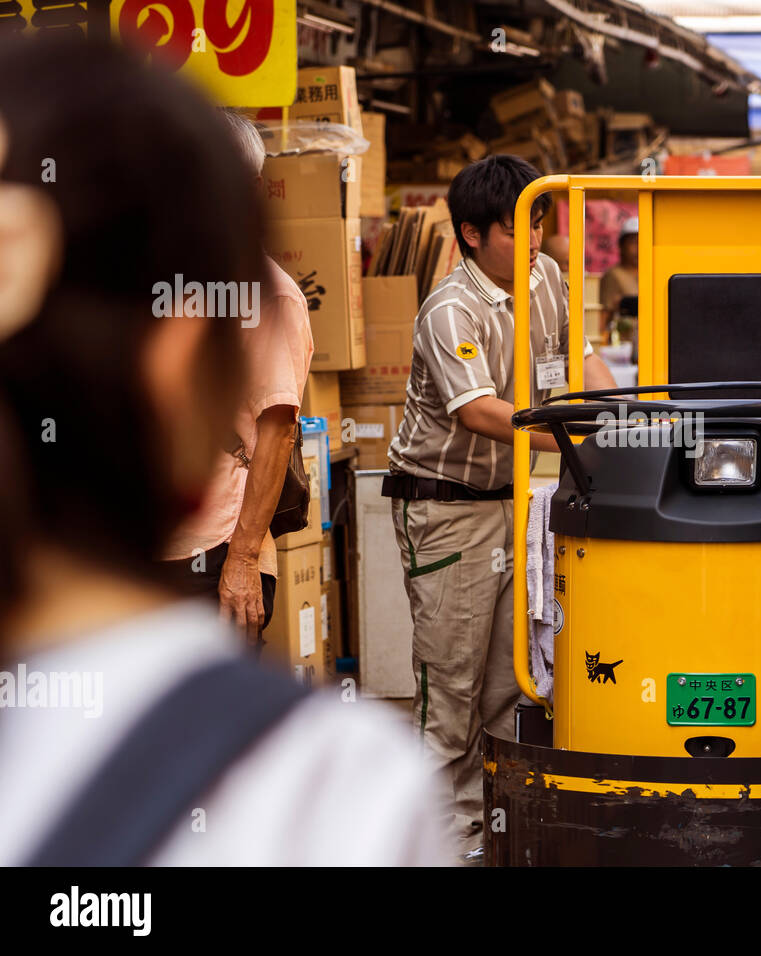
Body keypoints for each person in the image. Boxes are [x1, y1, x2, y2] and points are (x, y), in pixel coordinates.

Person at [0, 38, 447, 866]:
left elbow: (274, 428)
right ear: (176, 370)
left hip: (204, 544)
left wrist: (242, 555)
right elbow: (275, 428)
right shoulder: (333, 785)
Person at [384, 154, 616, 861]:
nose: (536, 239)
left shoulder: (547, 279)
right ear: (472, 236)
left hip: (514, 502)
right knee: (449, 688)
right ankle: (430, 839)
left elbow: (582, 358)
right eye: (518, 229)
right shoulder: (449, 308)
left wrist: (626, 418)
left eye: (540, 221)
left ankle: (484, 830)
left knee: (509, 679)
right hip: (445, 509)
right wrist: (581, 443)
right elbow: (481, 412)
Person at [159, 110, 314, 643]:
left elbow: (276, 432)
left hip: (218, 545)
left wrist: (244, 560)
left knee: (208, 721)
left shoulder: (268, 294)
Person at [600, 215, 638, 335]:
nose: (639, 247)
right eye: (633, 242)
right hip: (624, 346)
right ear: (621, 246)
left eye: (643, 241)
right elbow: (604, 315)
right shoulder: (613, 275)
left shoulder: (651, 274)